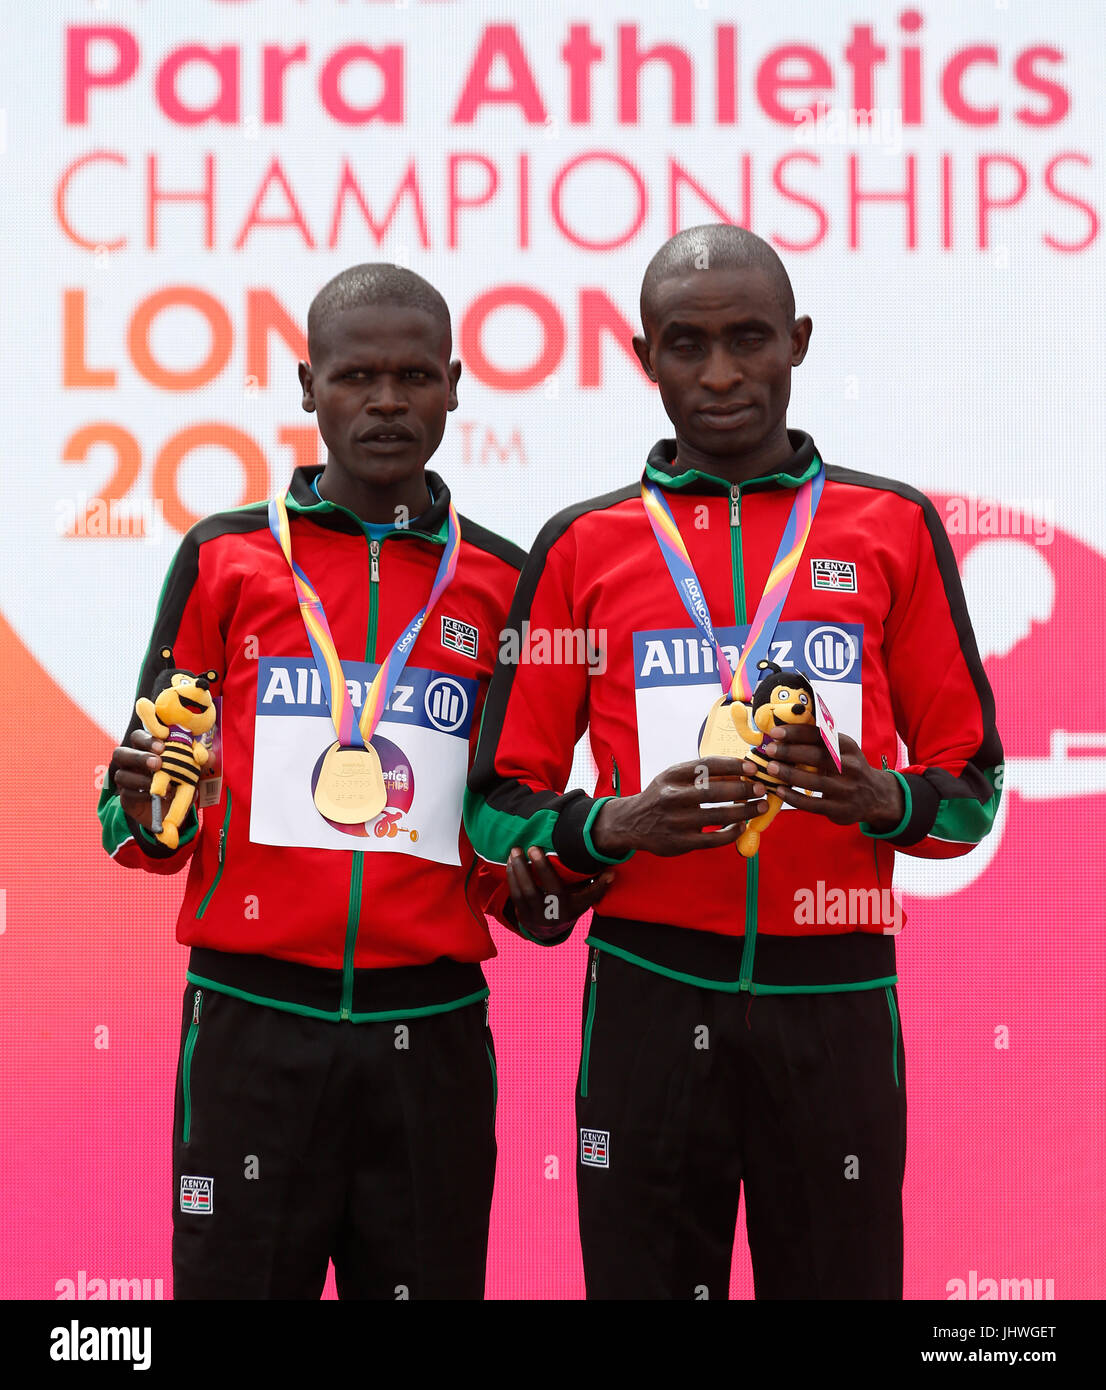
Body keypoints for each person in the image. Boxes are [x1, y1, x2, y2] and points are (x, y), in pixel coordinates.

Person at [465, 225, 1003, 1300]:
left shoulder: (889, 527)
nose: (718, 375)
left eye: (748, 338)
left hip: (836, 997)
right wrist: (607, 827)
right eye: (684, 345)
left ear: (797, 341)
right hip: (648, 997)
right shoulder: (581, 546)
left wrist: (881, 797)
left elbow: (970, 789)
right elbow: (491, 809)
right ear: (641, 355)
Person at [98, 263, 609, 1300]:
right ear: (305, 386)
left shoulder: (506, 583)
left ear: (457, 385)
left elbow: (507, 820)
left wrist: (568, 867)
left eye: (413, 375)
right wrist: (149, 808)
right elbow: (138, 807)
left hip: (430, 1033)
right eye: (355, 376)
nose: (385, 401)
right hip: (249, 1021)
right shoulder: (225, 558)